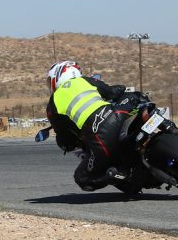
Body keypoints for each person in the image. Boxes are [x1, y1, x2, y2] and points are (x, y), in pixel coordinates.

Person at [45, 60, 131, 191]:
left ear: (57, 76)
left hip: (100, 135)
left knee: (82, 178)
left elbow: (64, 136)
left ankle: (117, 174)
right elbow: (112, 92)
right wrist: (120, 88)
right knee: (135, 100)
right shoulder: (85, 80)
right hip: (118, 115)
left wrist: (65, 144)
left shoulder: (53, 103)